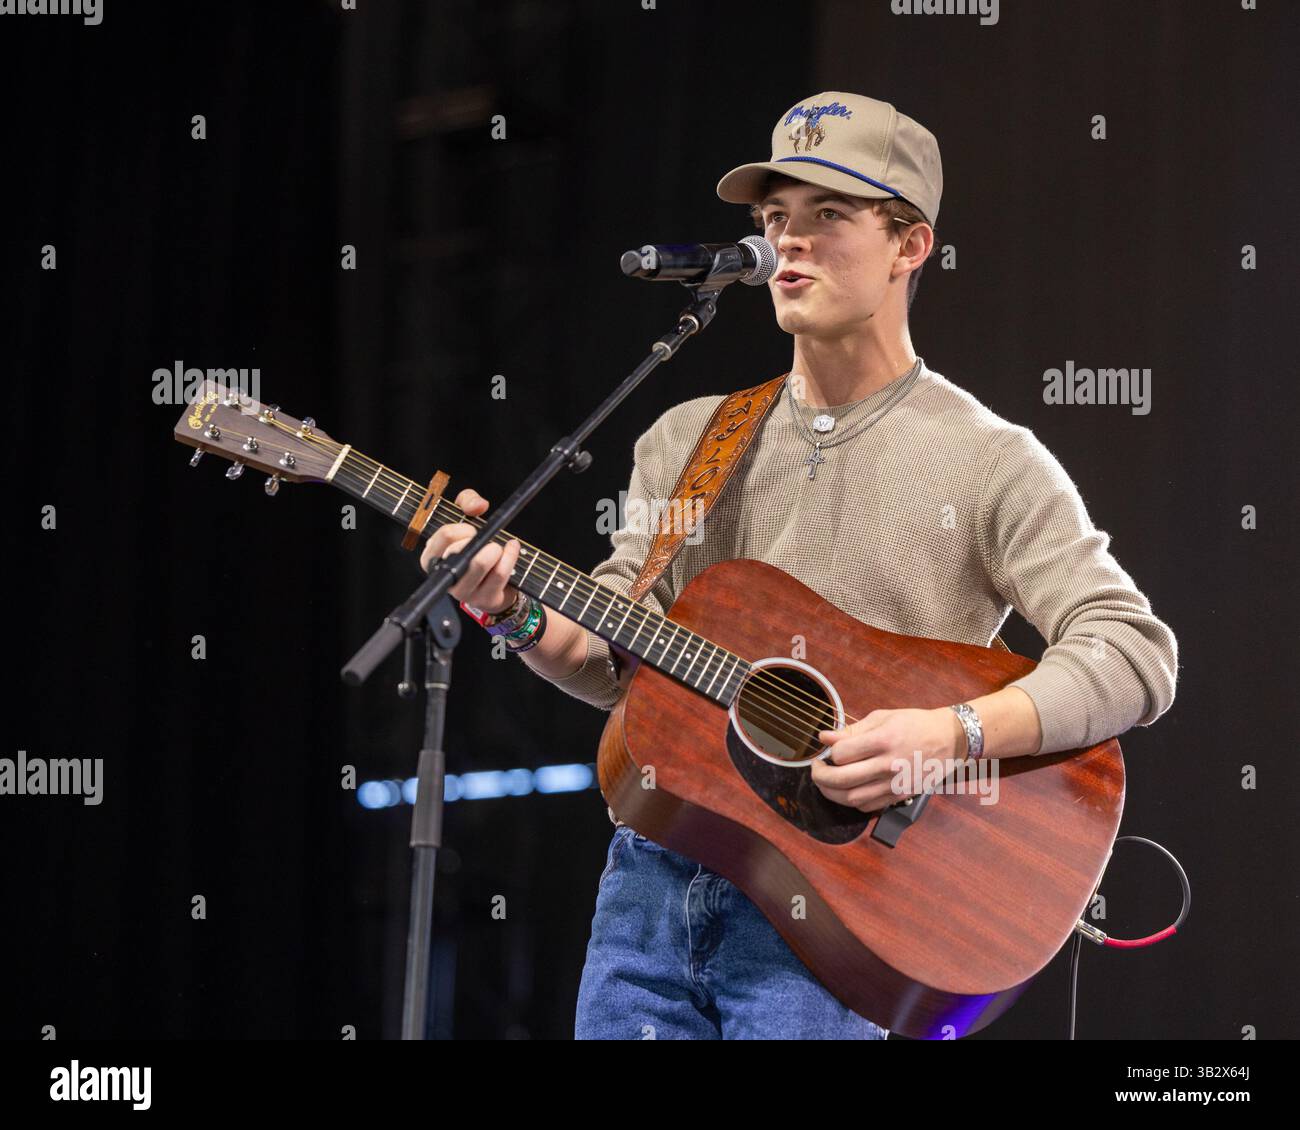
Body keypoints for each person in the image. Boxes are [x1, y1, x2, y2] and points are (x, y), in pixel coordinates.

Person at [419, 92, 1178, 1039]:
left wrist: (949, 735)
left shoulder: (990, 461)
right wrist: (515, 614)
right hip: (650, 891)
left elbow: (1134, 652)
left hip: (845, 920)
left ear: (910, 246)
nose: (789, 244)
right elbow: (616, 662)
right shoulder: (689, 438)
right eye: (774, 220)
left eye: (828, 215)